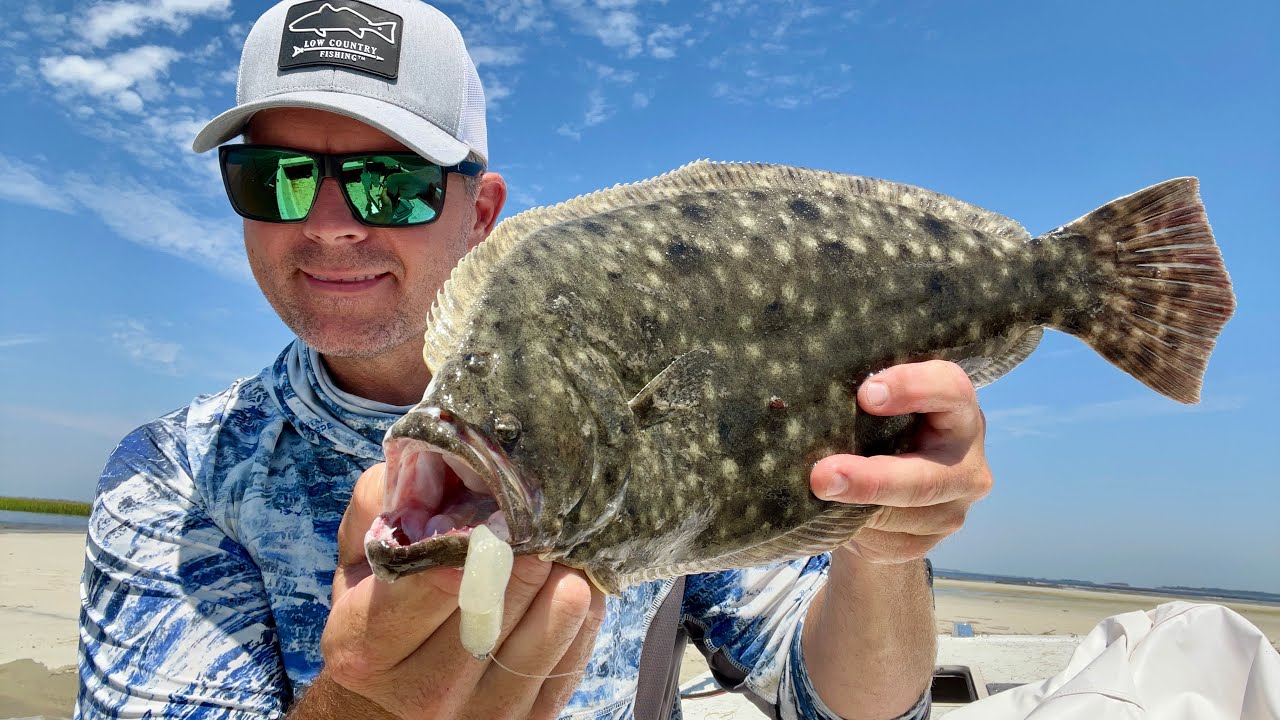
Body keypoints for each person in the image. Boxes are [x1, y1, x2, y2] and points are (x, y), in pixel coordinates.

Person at [75, 1, 993, 718]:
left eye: (389, 183)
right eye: (273, 177)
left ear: (480, 214)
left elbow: (836, 707)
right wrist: (364, 711)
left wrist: (878, 551)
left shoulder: (647, 388)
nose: (328, 223)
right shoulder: (175, 480)